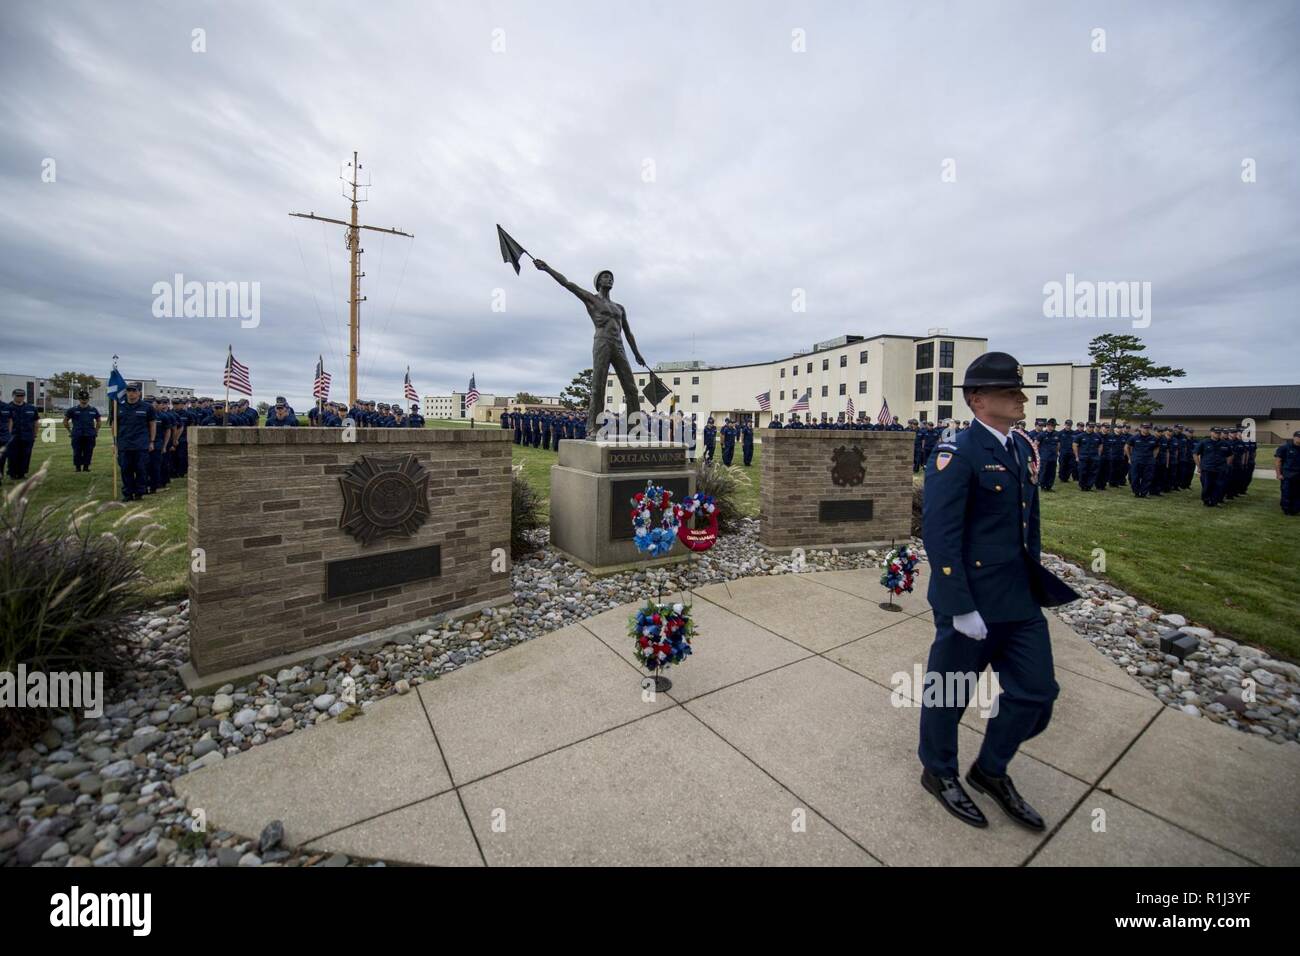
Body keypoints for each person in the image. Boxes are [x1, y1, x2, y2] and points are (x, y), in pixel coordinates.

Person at [919, 352, 1076, 831]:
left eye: (1019, 391)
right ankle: (939, 772)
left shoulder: (1019, 448)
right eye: (1012, 393)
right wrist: (960, 607)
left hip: (1018, 598)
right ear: (978, 400)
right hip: (972, 601)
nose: (1022, 399)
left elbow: (1029, 524)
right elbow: (940, 533)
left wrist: (1034, 577)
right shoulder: (957, 452)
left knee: (1036, 693)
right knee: (949, 693)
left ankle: (989, 769)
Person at [533, 259, 645, 439]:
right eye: (605, 277)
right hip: (602, 342)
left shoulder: (619, 308)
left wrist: (637, 354)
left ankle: (636, 428)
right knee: (597, 386)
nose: (609, 279)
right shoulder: (591, 299)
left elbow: (628, 332)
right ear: (598, 282)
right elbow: (567, 284)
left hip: (619, 346)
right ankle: (593, 427)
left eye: (611, 277)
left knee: (631, 388)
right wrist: (547, 269)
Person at [115, 382, 155, 502]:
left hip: (141, 444)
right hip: (124, 444)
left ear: (139, 393)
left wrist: (151, 441)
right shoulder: (119, 406)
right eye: (129, 390)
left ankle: (139, 492)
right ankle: (128, 493)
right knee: (125, 469)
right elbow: (114, 425)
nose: (131, 393)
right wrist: (114, 442)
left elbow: (152, 425)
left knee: (141, 469)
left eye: (134, 391)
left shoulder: (147, 407)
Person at [5, 388, 39, 480]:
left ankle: (22, 473)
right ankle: (12, 473)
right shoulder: (7, 408)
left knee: (26, 455)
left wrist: (34, 434)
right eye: (18, 396)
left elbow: (36, 422)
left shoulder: (31, 408)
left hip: (27, 436)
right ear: (13, 396)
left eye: (22, 396)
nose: (20, 398)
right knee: (12, 455)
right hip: (13, 436)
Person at [64, 389, 102, 472]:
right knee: (77, 451)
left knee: (88, 451)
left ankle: (86, 467)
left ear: (88, 399)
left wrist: (96, 431)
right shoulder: (73, 410)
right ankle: (77, 468)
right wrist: (70, 431)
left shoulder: (93, 410)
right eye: (82, 399)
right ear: (79, 399)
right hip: (77, 434)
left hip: (90, 434)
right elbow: (65, 420)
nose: (84, 400)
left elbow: (99, 420)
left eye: (85, 399)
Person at [1195, 427, 1231, 507]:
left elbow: (1230, 455)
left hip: (1220, 468)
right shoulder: (1204, 442)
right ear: (1211, 433)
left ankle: (1215, 501)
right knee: (1207, 485)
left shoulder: (1224, 443)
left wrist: (1226, 465)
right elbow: (1195, 454)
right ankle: (1206, 500)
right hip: (1207, 468)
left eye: (1219, 433)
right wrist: (1199, 466)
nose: (1217, 434)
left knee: (1218, 486)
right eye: (1215, 433)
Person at [1275, 431, 1300, 515]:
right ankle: (1287, 509)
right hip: (1287, 475)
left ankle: (1295, 509)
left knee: (1297, 493)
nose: (1299, 439)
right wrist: (1278, 474)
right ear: (1294, 437)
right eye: (1298, 437)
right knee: (1287, 493)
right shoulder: (1285, 448)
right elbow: (1278, 461)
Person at [1073, 421, 1102, 491]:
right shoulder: (1080, 436)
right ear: (1086, 427)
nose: (1091, 428)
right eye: (1090, 427)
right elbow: (1074, 445)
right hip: (1083, 457)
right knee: (1082, 472)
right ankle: (1083, 486)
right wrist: (1076, 456)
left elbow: (1100, 445)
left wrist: (1099, 455)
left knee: (1092, 472)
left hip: (1094, 457)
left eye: (1092, 427)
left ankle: (1089, 486)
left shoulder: (1097, 436)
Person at [1036, 419, 1059, 490]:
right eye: (1053, 426)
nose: (1054, 427)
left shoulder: (1056, 434)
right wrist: (1037, 454)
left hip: (1053, 457)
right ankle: (1042, 485)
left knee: (1052, 472)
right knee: (1043, 471)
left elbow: (1058, 444)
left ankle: (1049, 486)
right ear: (1048, 426)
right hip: (1044, 457)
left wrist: (1056, 452)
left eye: (1054, 426)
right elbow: (1035, 444)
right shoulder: (1042, 434)